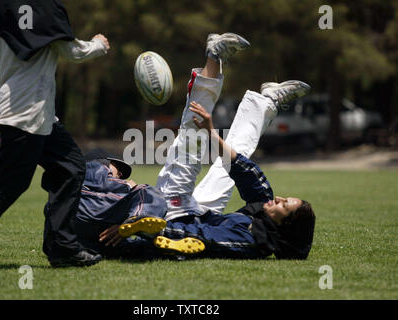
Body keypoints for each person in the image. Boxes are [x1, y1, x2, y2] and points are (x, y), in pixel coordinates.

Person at [99, 32, 316, 260]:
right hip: (200, 212)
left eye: (285, 206)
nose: (280, 199)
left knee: (191, 140)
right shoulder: (265, 215)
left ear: (285, 225)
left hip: (172, 213)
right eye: (286, 199)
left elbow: (202, 237)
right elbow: (250, 175)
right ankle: (268, 101)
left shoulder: (251, 242)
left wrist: (139, 228)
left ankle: (214, 55)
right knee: (235, 160)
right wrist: (213, 133)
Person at [0, 0, 109, 271]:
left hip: (34, 113)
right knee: (2, 186)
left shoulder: (3, 7)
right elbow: (70, 50)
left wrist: (4, 73)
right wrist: (98, 44)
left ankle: (62, 247)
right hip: (26, 116)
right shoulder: (47, 7)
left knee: (70, 168)